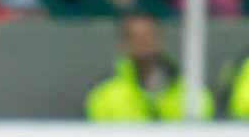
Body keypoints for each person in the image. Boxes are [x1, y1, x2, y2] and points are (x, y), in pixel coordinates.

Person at [85, 11, 214, 120]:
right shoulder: (104, 97)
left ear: (160, 39)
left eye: (148, 35)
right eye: (134, 37)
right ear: (122, 43)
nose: (143, 42)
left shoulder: (192, 94)